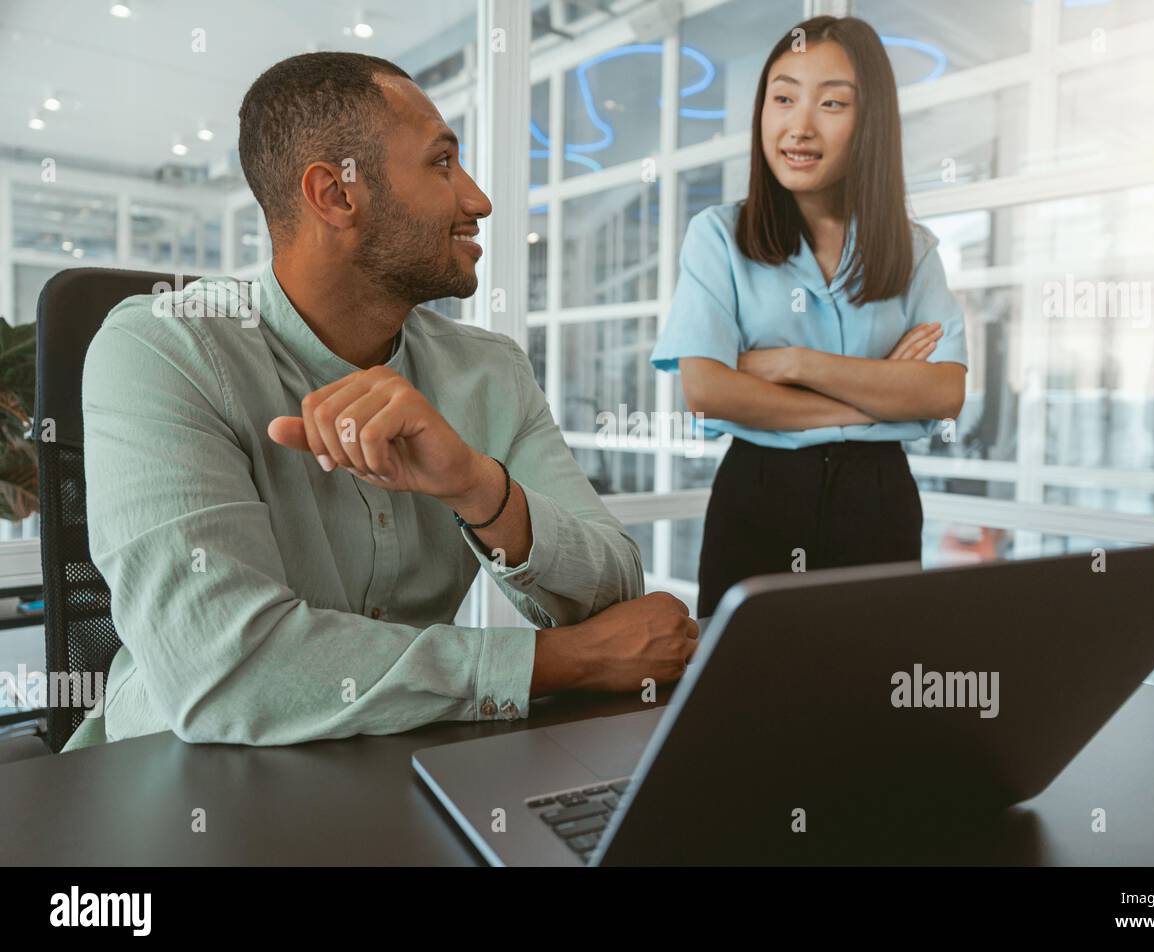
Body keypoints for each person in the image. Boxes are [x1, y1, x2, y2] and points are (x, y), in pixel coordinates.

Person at [64, 52, 697, 750]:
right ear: (337, 195)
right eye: (443, 164)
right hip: (170, 784)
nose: (478, 199)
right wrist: (566, 662)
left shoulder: (488, 372)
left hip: (405, 767)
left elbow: (620, 600)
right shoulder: (162, 349)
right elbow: (225, 672)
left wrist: (479, 488)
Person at [650, 16, 969, 618]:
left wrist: (795, 363)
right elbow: (709, 390)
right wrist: (877, 401)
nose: (800, 126)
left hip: (877, 503)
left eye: (831, 103)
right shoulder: (718, 236)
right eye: (783, 98)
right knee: (747, 692)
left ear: (870, 120)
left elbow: (944, 391)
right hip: (760, 497)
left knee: (874, 691)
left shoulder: (914, 248)